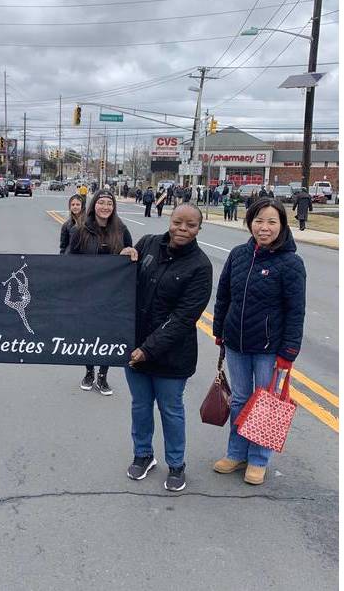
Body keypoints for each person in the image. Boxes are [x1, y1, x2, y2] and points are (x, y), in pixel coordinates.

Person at [211, 198, 307, 486]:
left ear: (281, 226)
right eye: (258, 221)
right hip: (237, 343)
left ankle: (258, 459)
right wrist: (219, 331)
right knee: (240, 399)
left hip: (270, 349)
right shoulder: (239, 254)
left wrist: (289, 352)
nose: (264, 228)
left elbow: (296, 311)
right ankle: (236, 453)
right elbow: (224, 295)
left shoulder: (290, 263)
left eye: (271, 222)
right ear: (249, 222)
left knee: (265, 403)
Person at [124, 204, 213, 492]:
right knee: (140, 406)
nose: (182, 230)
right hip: (135, 346)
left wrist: (148, 350)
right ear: (169, 220)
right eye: (178, 222)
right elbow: (122, 282)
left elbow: (183, 318)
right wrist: (124, 258)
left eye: (190, 225)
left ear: (199, 228)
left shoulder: (200, 266)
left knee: (170, 410)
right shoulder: (148, 243)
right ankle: (143, 454)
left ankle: (176, 464)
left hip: (172, 355)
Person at [67, 189, 137, 396]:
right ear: (94, 205)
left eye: (109, 203)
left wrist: (128, 252)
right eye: (101, 202)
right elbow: (71, 261)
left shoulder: (122, 230)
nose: (105, 207)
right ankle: (89, 371)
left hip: (113, 295)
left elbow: (130, 259)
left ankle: (103, 376)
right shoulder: (79, 230)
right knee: (88, 334)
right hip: (87, 293)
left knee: (107, 335)